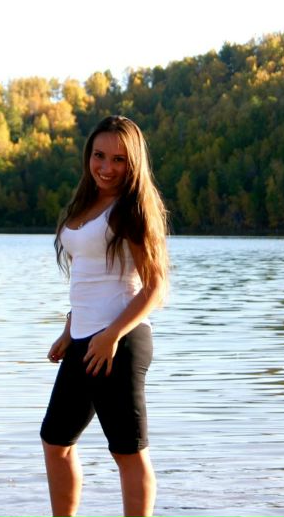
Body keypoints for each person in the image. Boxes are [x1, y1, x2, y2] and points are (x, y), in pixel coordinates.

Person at [41, 115, 169, 517]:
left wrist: (112, 335)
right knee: (56, 442)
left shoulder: (131, 210)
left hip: (120, 342)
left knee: (127, 452)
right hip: (84, 339)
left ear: (133, 163)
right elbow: (90, 277)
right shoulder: (86, 203)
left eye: (118, 159)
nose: (107, 167)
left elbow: (155, 287)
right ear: (88, 156)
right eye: (99, 156)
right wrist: (70, 329)